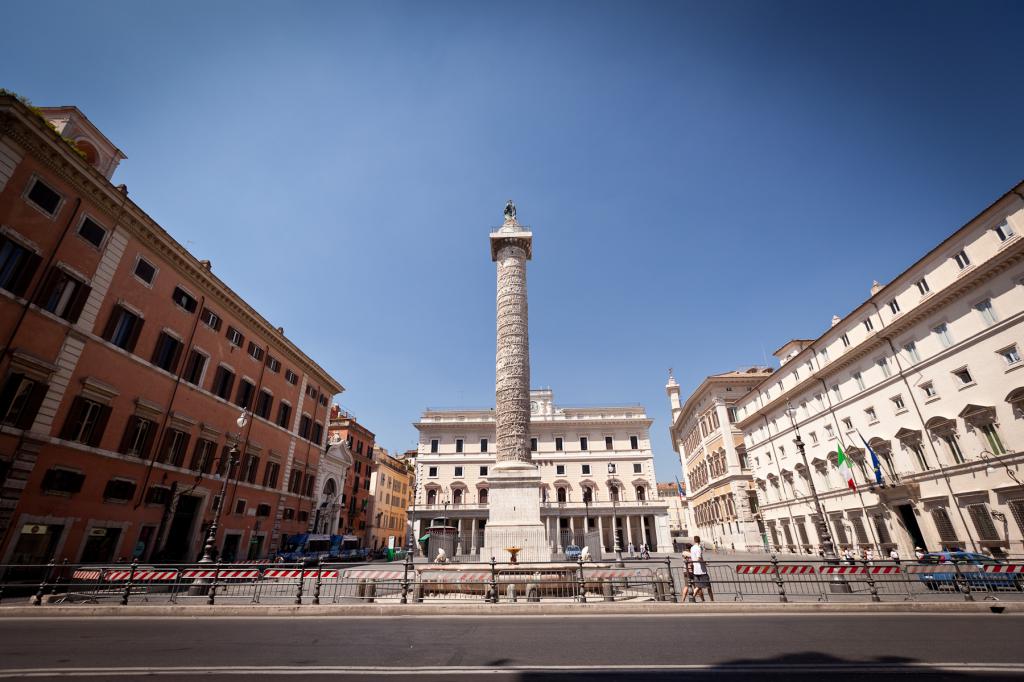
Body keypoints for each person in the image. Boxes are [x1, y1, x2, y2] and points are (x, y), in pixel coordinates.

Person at [689, 535, 714, 602]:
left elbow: (693, 558)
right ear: (699, 541)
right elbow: (698, 558)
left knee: (698, 586)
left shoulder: (692, 548)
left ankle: (692, 597)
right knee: (708, 587)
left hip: (696, 570)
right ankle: (712, 600)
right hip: (701, 570)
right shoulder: (698, 548)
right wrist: (704, 562)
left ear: (694, 541)